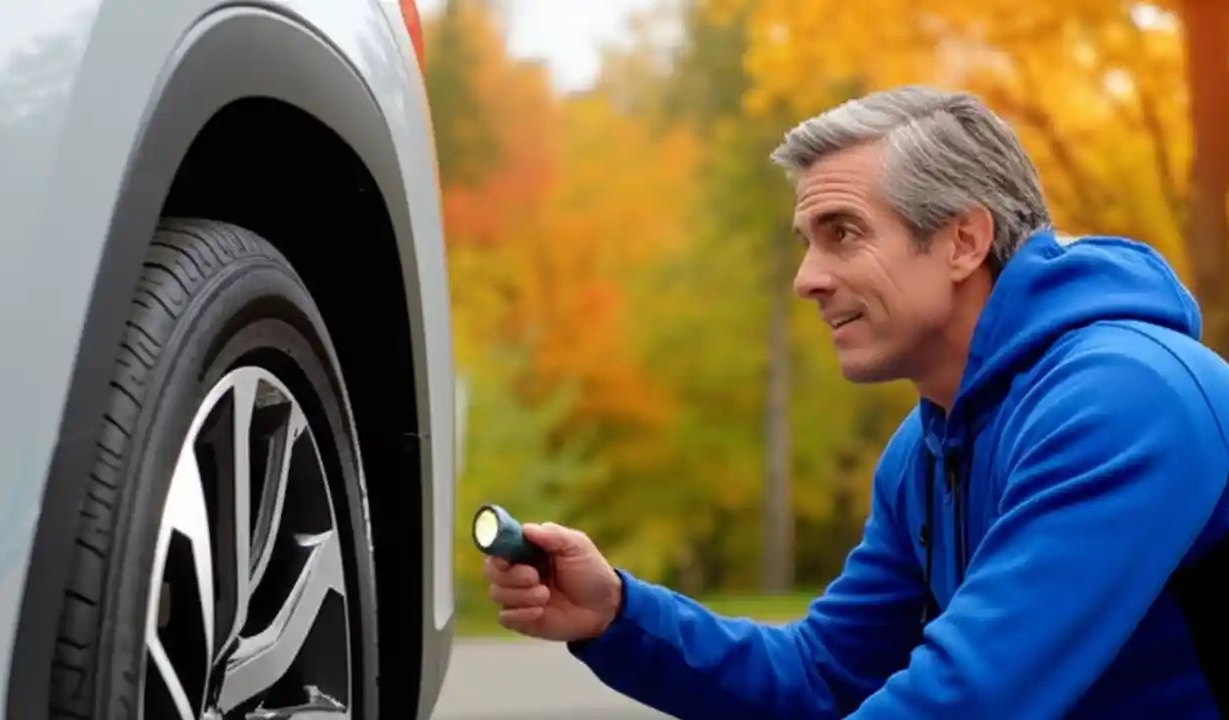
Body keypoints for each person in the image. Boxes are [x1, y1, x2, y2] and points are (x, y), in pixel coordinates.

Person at [482, 85, 1229, 718]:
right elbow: (825, 676)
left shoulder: (1125, 401)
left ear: (964, 241)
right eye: (809, 240)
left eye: (843, 234)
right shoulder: (928, 445)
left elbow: (969, 701)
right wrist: (619, 615)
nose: (808, 278)